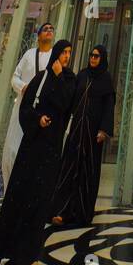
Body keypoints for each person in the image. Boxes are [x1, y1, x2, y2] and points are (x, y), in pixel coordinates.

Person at [0, 39, 75, 265]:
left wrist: (59, 77)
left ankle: (29, 256)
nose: (66, 57)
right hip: (32, 146)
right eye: (63, 52)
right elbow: (26, 109)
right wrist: (37, 120)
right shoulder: (40, 78)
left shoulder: (69, 79)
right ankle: (7, 251)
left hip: (51, 150)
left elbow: (66, 105)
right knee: (20, 197)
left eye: (69, 53)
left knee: (40, 204)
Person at [51, 45, 116, 228]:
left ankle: (82, 212)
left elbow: (109, 107)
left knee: (88, 172)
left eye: (97, 56)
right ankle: (62, 211)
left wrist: (104, 130)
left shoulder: (106, 79)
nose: (93, 59)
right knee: (68, 169)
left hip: (92, 135)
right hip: (77, 131)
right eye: (91, 55)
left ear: (102, 58)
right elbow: (70, 98)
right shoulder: (82, 75)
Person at [1, 21, 55, 189]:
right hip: (23, 107)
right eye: (45, 29)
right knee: (13, 148)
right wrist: (24, 87)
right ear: (39, 35)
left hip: (43, 111)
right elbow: (14, 77)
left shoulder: (55, 56)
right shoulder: (29, 55)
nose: (49, 31)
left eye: (51, 29)